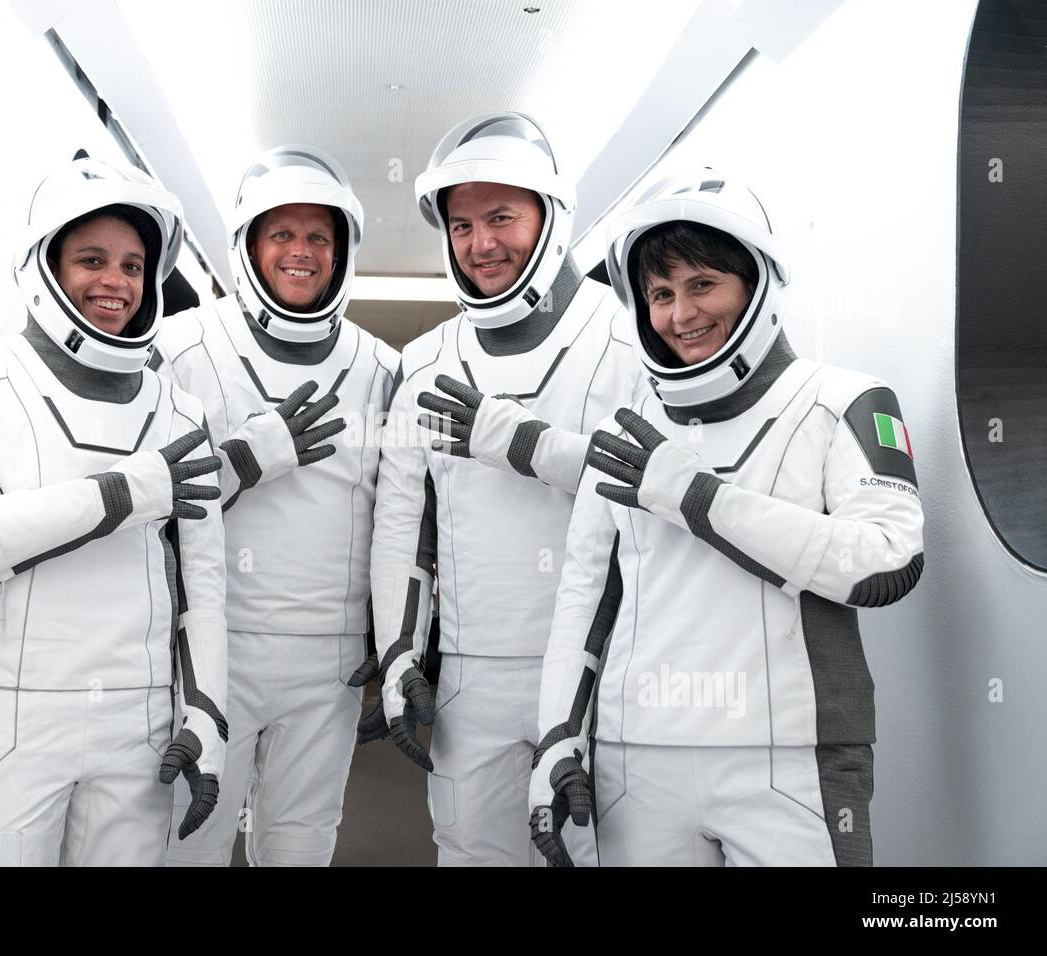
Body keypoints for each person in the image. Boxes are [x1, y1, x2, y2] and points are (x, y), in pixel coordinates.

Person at [529, 170, 925, 867]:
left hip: (792, 761)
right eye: (660, 294)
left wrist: (698, 499)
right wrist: (558, 735)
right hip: (635, 759)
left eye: (701, 284)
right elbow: (585, 595)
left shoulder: (846, 401)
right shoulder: (627, 429)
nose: (680, 314)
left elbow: (887, 561)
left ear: (757, 284)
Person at [0, 156, 228, 866]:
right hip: (8, 715)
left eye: (133, 266)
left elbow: (202, 586)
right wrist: (122, 493)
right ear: (45, 267)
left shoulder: (180, 407)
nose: (116, 283)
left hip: (141, 722)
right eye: (92, 260)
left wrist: (206, 709)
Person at [365, 112, 642, 866]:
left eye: (500, 217)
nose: (481, 243)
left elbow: (659, 492)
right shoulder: (423, 362)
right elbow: (401, 527)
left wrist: (525, 448)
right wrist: (398, 648)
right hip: (471, 681)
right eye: (461, 226)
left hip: (604, 673)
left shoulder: (625, 339)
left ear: (549, 217)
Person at [153, 145, 398, 866]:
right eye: (281, 235)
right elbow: (142, 505)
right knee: (185, 842)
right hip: (207, 651)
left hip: (330, 662)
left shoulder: (382, 368)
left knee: (301, 846)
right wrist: (242, 463)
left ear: (343, 251)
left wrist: (397, 640)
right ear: (248, 247)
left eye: (319, 237)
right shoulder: (180, 346)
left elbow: (402, 517)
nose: (301, 252)